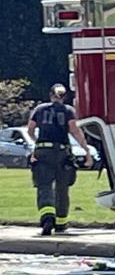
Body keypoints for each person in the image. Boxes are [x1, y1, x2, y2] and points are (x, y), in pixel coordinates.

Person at [27, 84, 94, 235]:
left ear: (50, 95)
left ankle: (47, 217)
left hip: (43, 151)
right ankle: (61, 223)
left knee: (44, 185)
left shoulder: (39, 109)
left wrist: (37, 143)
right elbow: (75, 130)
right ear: (64, 97)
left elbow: (30, 129)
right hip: (62, 152)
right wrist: (86, 150)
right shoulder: (69, 110)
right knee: (62, 188)